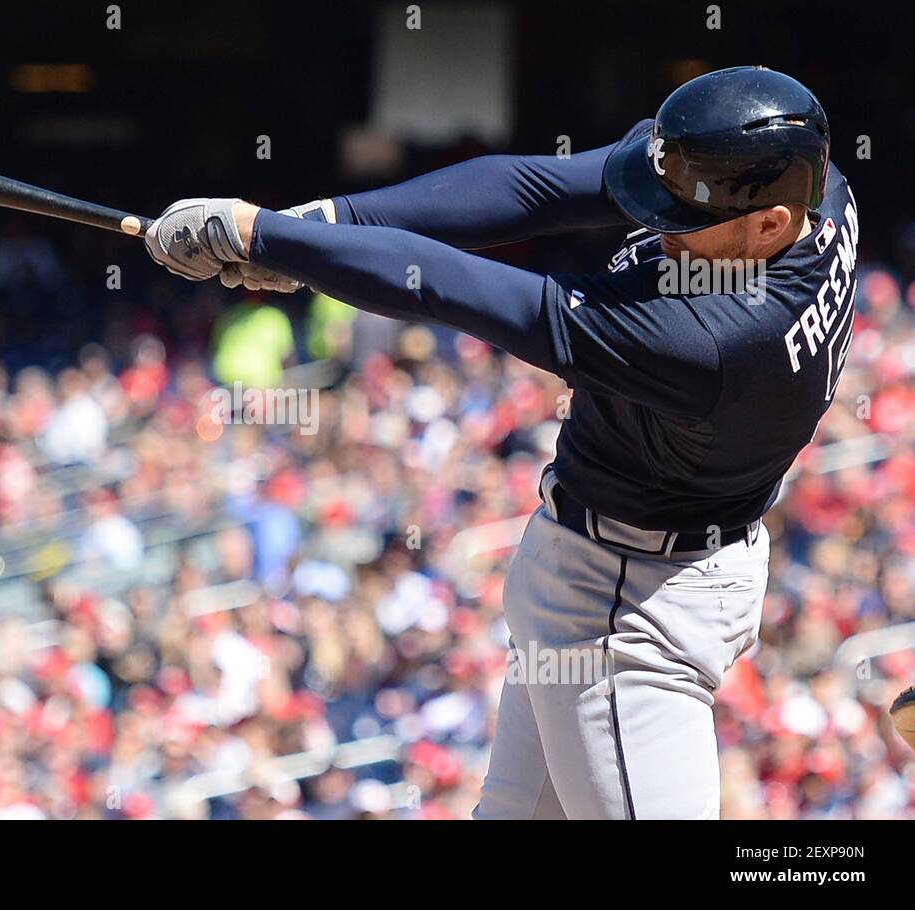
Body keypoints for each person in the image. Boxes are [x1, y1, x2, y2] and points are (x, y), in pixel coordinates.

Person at [142, 66, 859, 819]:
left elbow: (444, 284)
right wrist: (317, 226)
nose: (660, 226)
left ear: (770, 225)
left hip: (628, 610)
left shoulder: (714, 340)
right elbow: (535, 189)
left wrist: (272, 239)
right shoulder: (816, 191)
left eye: (685, 217)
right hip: (635, 564)